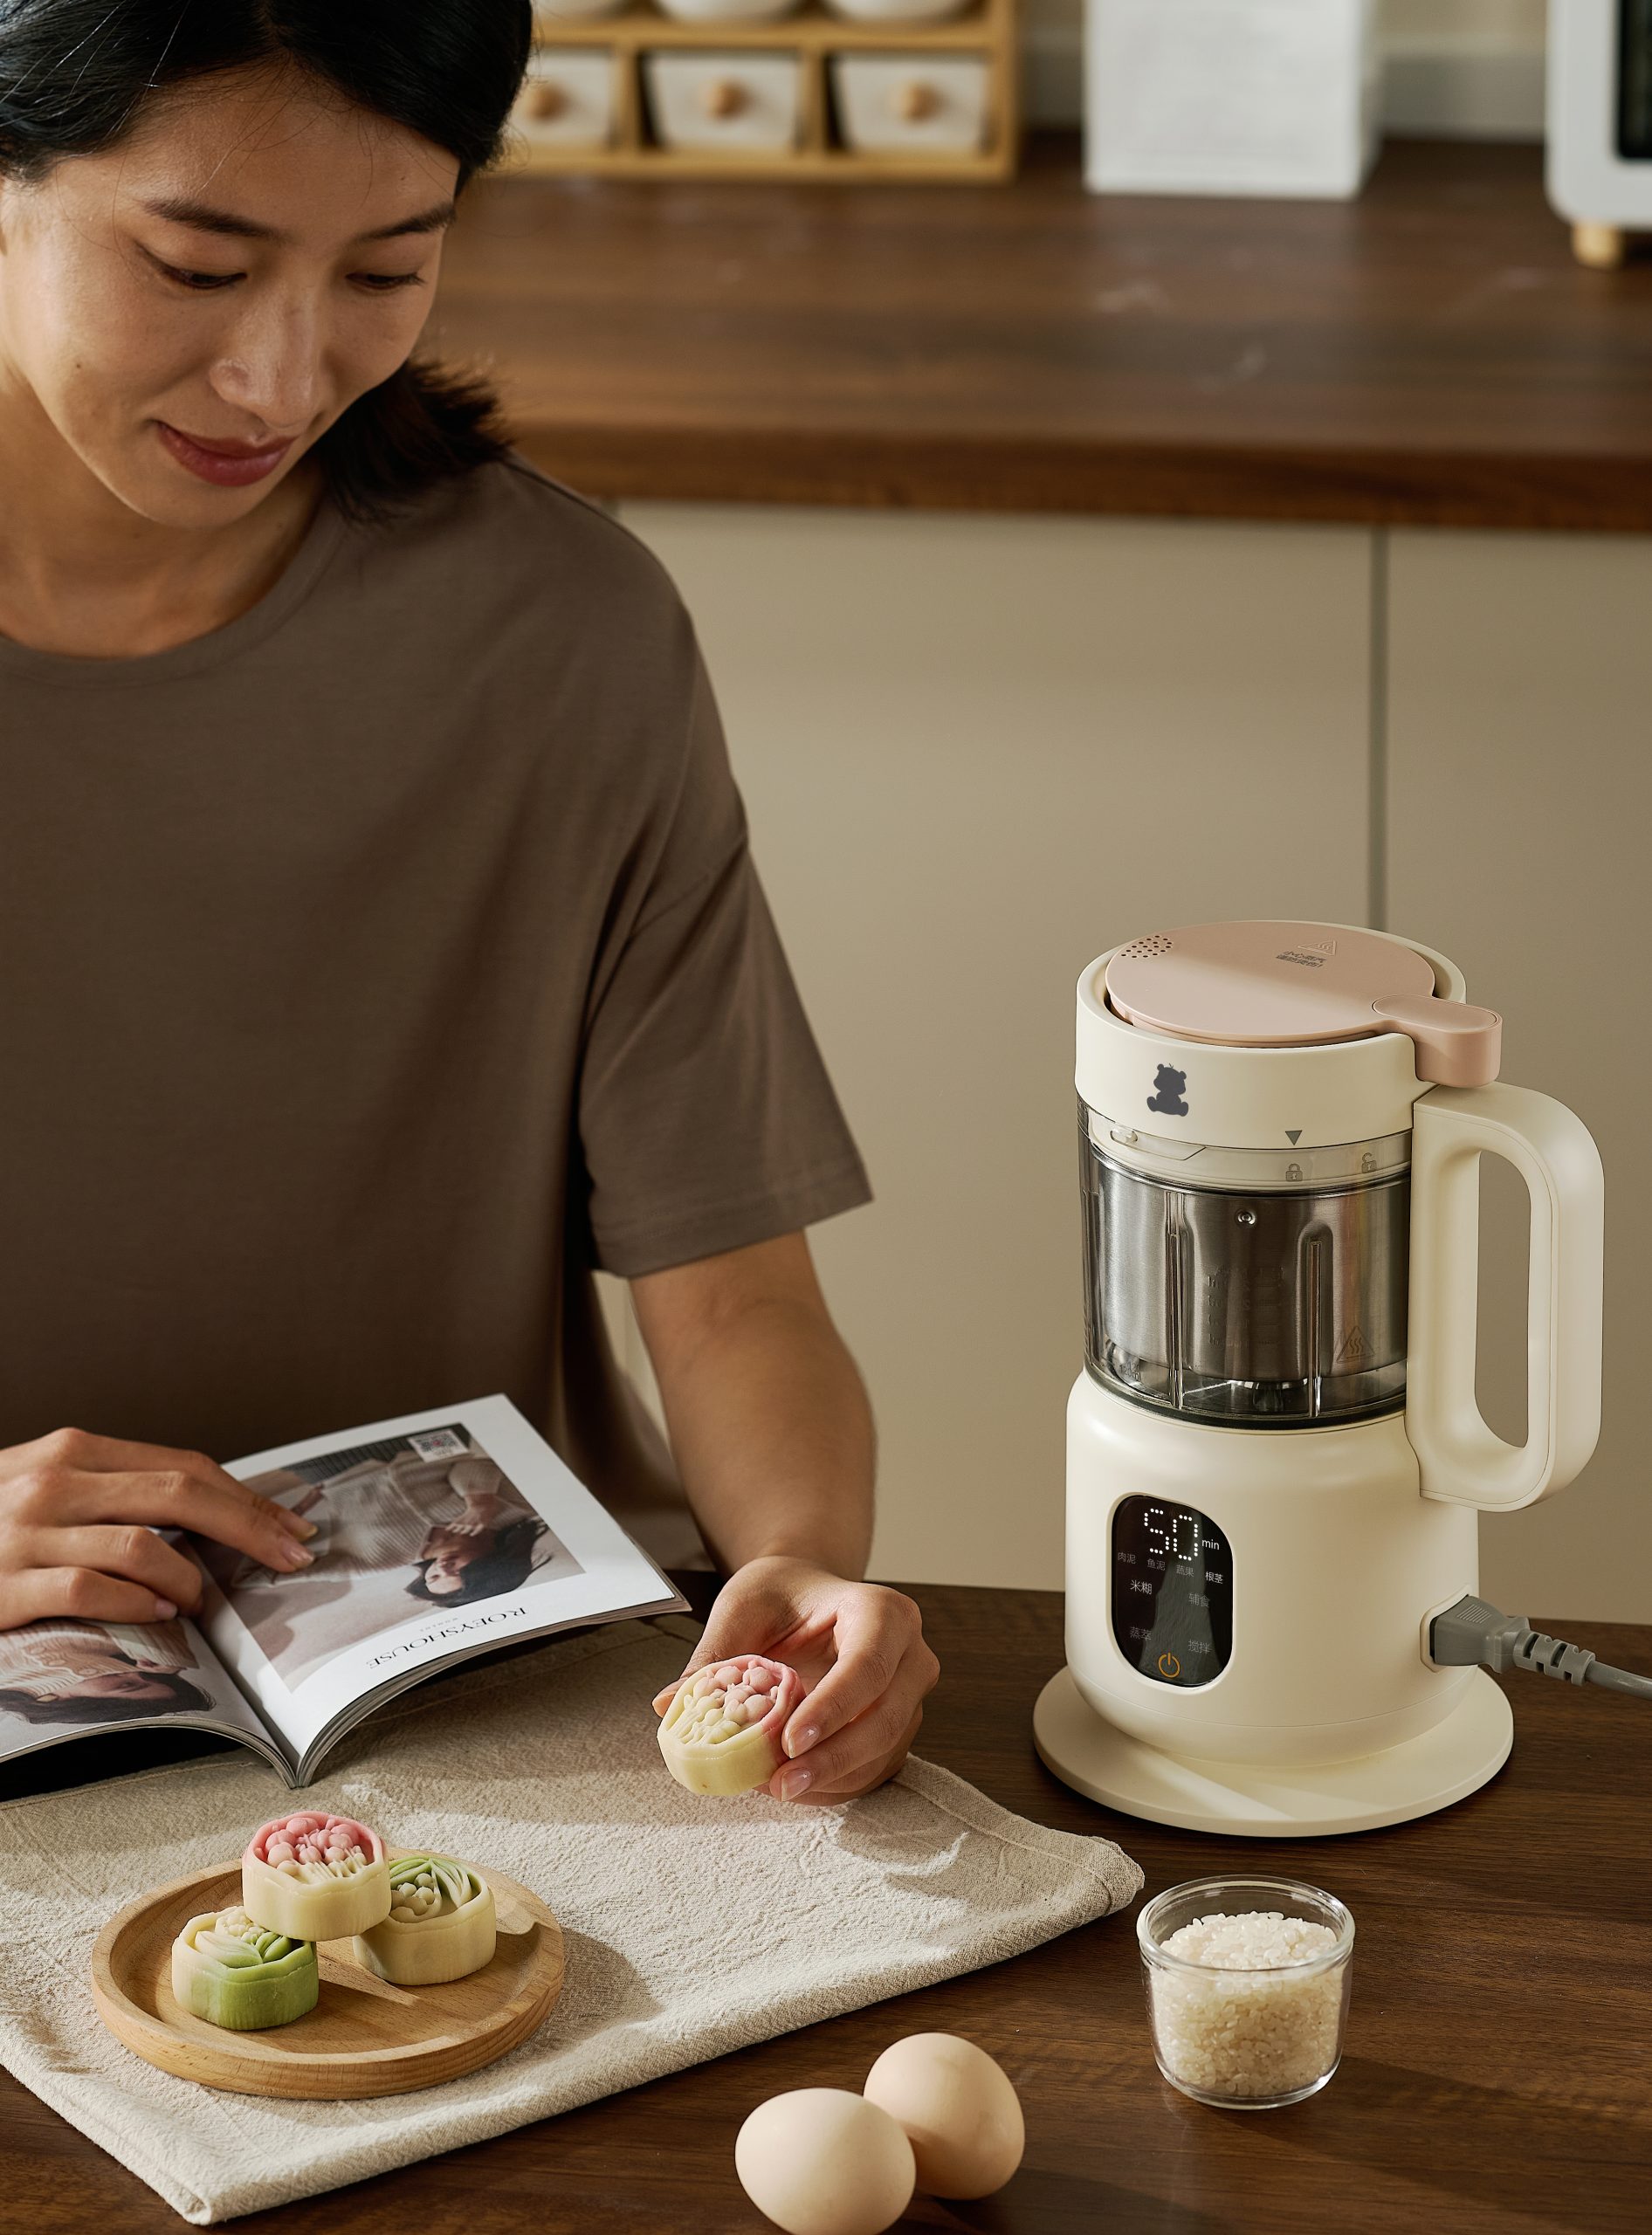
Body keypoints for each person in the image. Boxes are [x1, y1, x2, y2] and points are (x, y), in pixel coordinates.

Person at [0, 1, 937, 1805]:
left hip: (505, 1703)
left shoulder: (563, 636)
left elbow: (732, 1298)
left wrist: (803, 1562)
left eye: (384, 270)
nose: (280, 378)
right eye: (197, 267)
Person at [227, 1446, 553, 1607]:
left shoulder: (376, 1560)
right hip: (406, 1438)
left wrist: (280, 1525)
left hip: (324, 1464)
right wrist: (480, 1501)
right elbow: (475, 1456)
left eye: (435, 1578)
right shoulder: (515, 1509)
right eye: (460, 1572)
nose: (443, 1567)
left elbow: (251, 1577)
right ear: (492, 1563)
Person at [0, 1619, 212, 1727]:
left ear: (80, 1707)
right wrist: (168, 1657)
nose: (133, 1672)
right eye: (147, 1676)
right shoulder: (120, 1648)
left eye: (127, 1686)